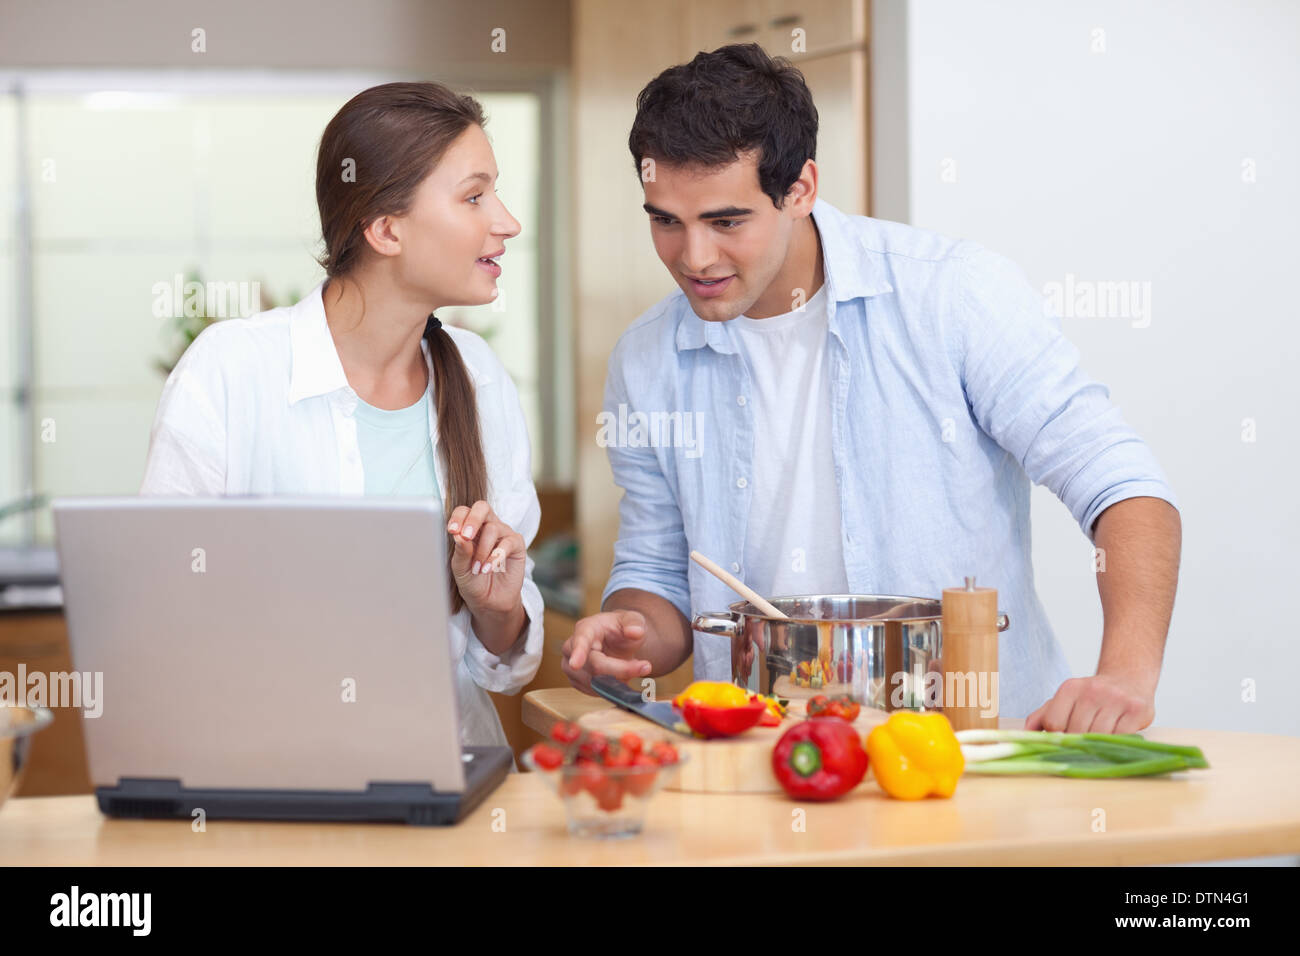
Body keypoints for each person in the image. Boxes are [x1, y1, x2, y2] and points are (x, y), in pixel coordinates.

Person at [562, 45, 1182, 735]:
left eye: (726, 221)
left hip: (975, 751)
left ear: (799, 188)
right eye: (665, 220)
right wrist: (630, 632)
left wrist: (1126, 672)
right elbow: (658, 571)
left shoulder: (952, 295)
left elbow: (1121, 484)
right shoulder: (646, 360)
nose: (693, 257)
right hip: (764, 756)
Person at [140, 81, 544, 749]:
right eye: (474, 197)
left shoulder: (479, 378)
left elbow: (500, 664)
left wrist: (496, 603)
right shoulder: (232, 369)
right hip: (268, 777)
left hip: (447, 778)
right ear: (386, 228)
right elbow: (158, 613)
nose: (505, 221)